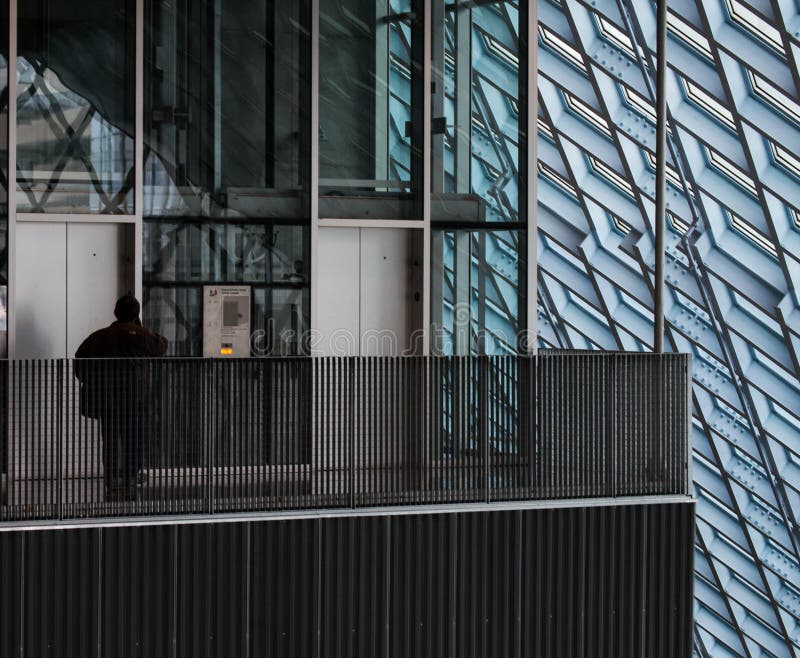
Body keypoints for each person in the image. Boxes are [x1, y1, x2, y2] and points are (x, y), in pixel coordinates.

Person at [75, 295, 167, 501]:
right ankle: (131, 476)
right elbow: (161, 347)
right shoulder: (141, 335)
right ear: (136, 314)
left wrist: (92, 381)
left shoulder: (98, 337)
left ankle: (112, 478)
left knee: (109, 440)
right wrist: (140, 326)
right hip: (134, 400)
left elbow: (79, 360)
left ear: (116, 313)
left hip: (107, 401)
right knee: (133, 438)